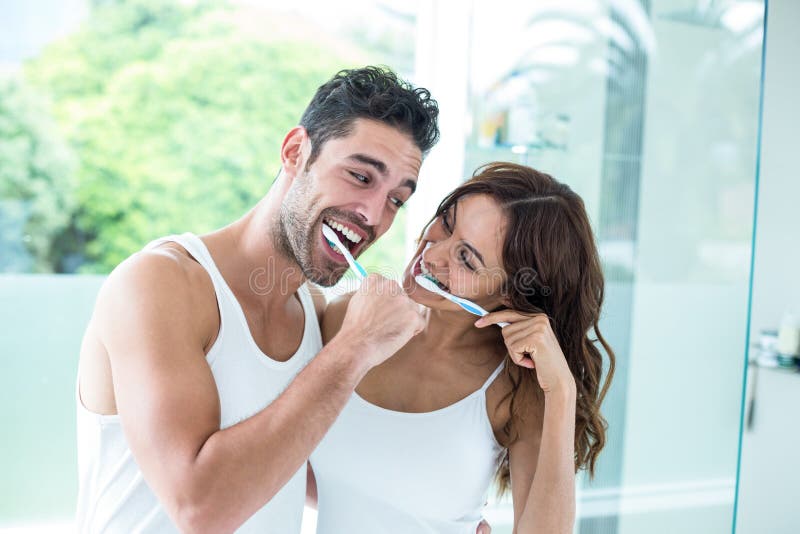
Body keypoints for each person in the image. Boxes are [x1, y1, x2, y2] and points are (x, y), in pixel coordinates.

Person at [74, 66, 441, 533]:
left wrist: (441, 521)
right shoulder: (159, 284)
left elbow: (299, 471)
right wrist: (357, 348)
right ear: (295, 152)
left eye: (396, 199)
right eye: (360, 176)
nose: (373, 214)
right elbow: (200, 509)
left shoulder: (311, 311)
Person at [308, 162, 616, 534]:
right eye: (447, 222)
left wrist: (562, 393)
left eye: (466, 258)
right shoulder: (346, 319)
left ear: (510, 292)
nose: (433, 255)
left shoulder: (516, 391)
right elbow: (312, 473)